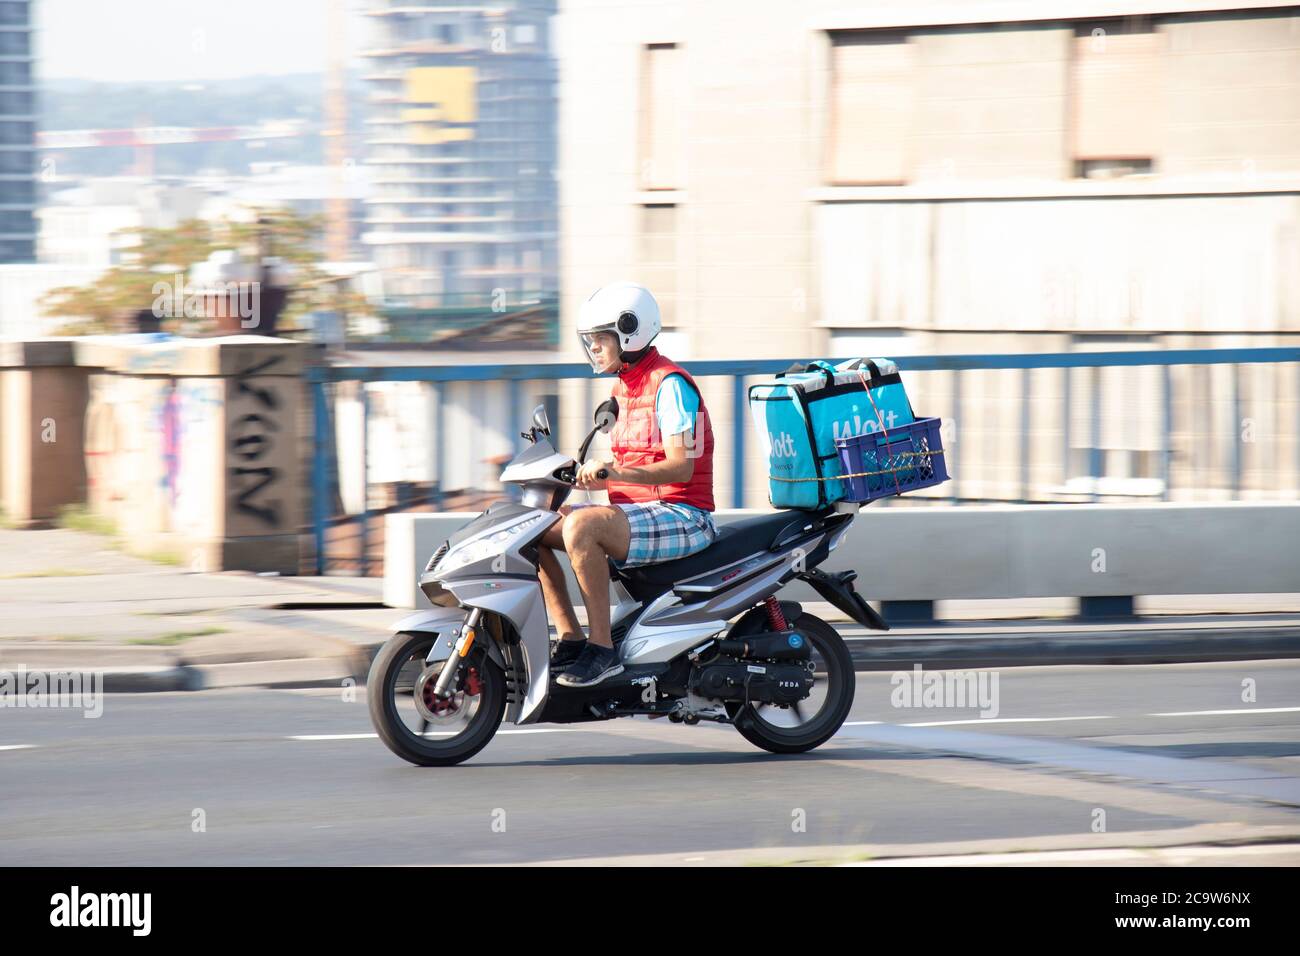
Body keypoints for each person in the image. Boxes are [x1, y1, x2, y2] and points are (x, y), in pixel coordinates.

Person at [537, 281, 717, 687]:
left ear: (629, 332)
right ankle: (570, 638)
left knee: (583, 526)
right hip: (641, 513)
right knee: (532, 527)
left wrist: (613, 472)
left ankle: (602, 651)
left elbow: (679, 469)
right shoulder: (624, 387)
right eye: (591, 341)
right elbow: (627, 466)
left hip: (685, 514)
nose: (594, 349)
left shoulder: (670, 385)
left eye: (601, 339)